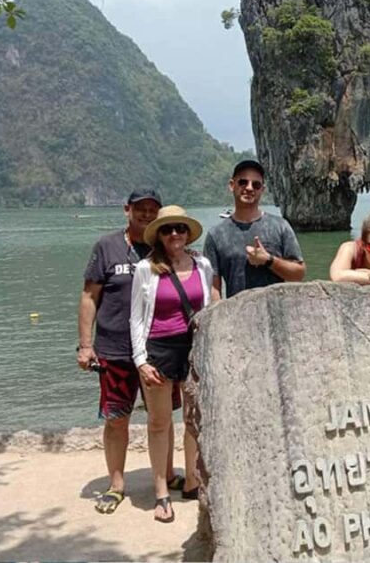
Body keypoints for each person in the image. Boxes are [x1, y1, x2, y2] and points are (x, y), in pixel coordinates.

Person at [78, 189, 183, 515]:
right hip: (115, 348)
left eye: (153, 209)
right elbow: (89, 297)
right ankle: (116, 484)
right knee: (117, 419)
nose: (147, 214)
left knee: (162, 419)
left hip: (158, 351)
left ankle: (166, 474)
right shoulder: (107, 247)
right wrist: (85, 345)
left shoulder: (164, 246)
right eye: (141, 209)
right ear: (127, 209)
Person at [130, 205, 218, 523]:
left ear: (187, 232)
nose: (175, 234)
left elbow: (208, 307)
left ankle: (193, 481)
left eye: (179, 228)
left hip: (193, 349)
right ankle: (161, 492)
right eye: (167, 230)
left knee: (193, 420)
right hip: (158, 350)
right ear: (159, 236)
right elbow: (137, 318)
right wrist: (140, 360)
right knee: (159, 422)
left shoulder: (202, 265)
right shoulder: (146, 269)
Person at [204, 160, 306, 298]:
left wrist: (269, 260)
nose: (249, 188)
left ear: (262, 190)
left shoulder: (280, 226)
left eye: (256, 184)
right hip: (236, 315)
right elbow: (213, 288)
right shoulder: (215, 235)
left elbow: (298, 274)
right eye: (243, 182)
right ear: (232, 185)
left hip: (276, 315)